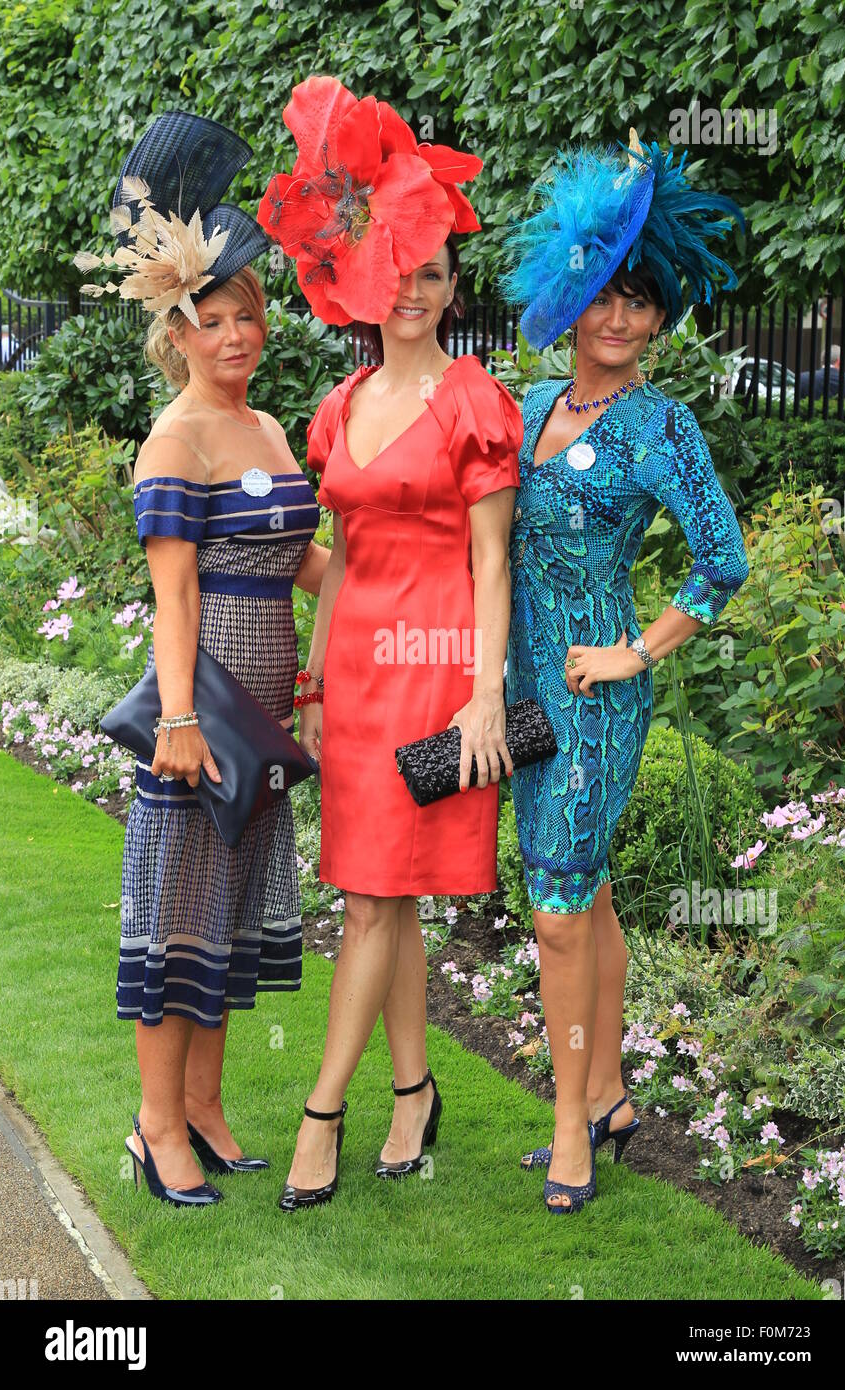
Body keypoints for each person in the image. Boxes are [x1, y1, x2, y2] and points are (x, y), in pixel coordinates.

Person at [258, 75, 523, 1209]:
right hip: (358, 674)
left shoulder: (474, 402)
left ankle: (324, 1112)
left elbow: (491, 563)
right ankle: (414, 1092)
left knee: (370, 897)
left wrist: (481, 696)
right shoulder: (337, 404)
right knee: (384, 890)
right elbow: (343, 555)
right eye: (395, 271)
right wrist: (313, 680)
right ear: (365, 281)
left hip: (434, 678)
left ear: (450, 285)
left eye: (430, 272)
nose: (411, 289)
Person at [76, 111, 328, 1206]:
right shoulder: (174, 441)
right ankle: (154, 1127)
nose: (235, 337)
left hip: (267, 707)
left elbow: (305, 562)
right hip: (206, 707)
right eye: (212, 322)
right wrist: (176, 719)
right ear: (175, 333)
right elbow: (170, 597)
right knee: (175, 916)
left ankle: (210, 1111)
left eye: (246, 318)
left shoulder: (271, 428)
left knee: (225, 920)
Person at [499, 130, 749, 1213]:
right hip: (517, 685)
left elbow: (720, 561)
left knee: (554, 906)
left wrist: (636, 648)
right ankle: (601, 1092)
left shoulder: (659, 423)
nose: (617, 318)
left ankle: (567, 1126)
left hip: (596, 692)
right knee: (583, 893)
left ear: (659, 316)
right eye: (604, 293)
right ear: (573, 287)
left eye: (640, 302)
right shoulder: (519, 411)